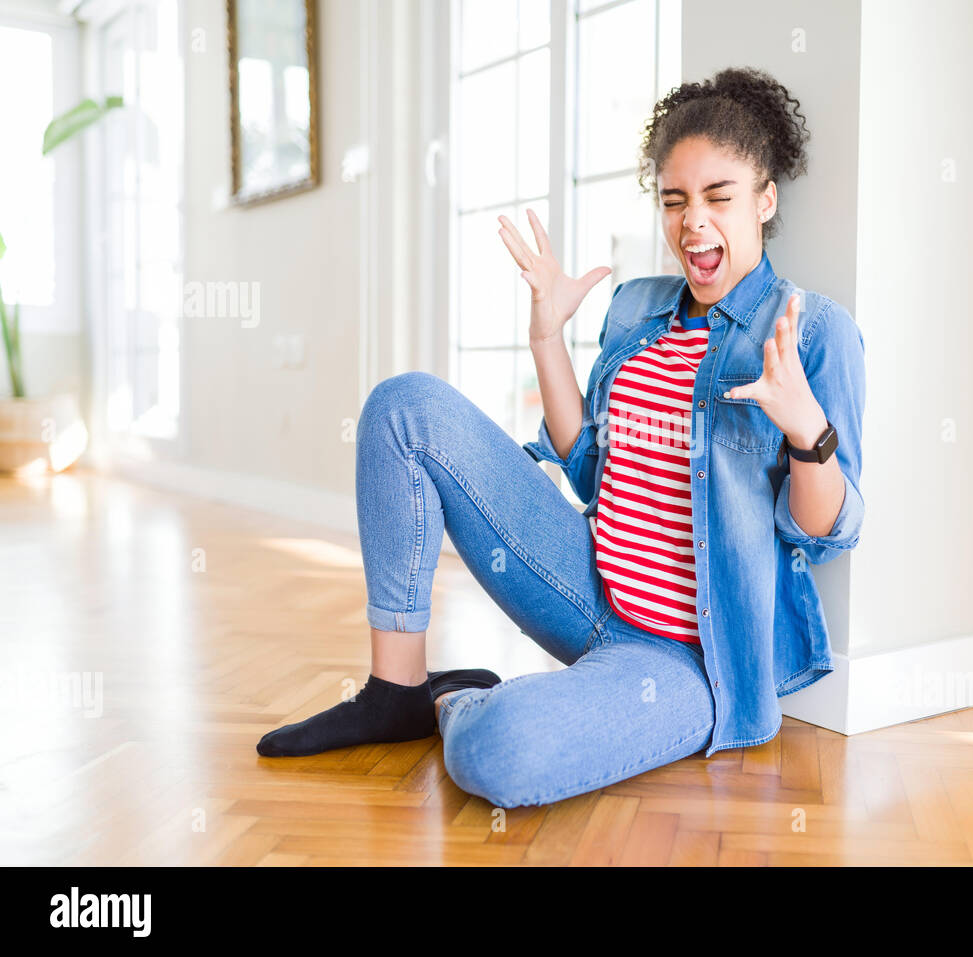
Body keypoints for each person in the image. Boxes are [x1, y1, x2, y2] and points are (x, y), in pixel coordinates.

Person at [256, 66, 866, 810]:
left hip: (685, 662)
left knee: (503, 752)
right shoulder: (638, 309)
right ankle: (396, 690)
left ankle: (457, 706)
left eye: (719, 197)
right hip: (583, 587)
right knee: (402, 406)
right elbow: (587, 470)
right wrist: (548, 335)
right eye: (674, 200)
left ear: (765, 199)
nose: (692, 224)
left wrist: (807, 432)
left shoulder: (812, 331)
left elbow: (828, 532)